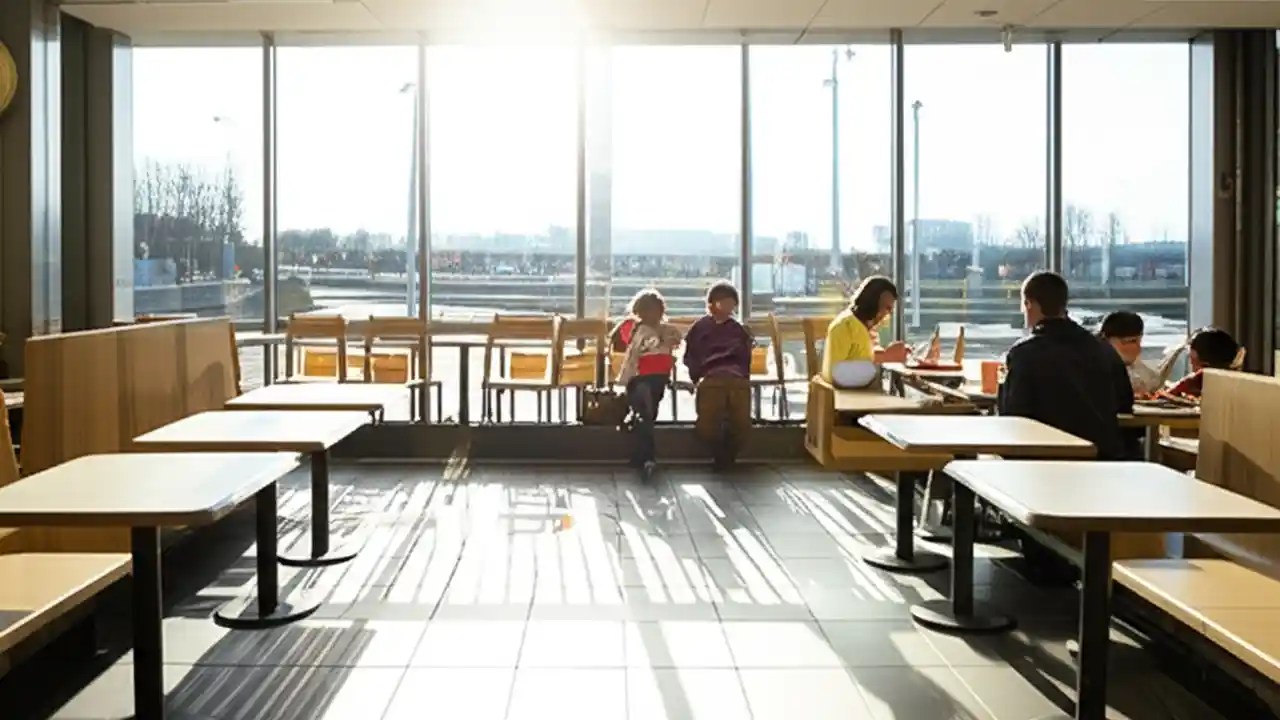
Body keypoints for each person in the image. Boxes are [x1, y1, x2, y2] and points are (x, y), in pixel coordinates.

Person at [998, 271, 1134, 461]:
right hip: (1101, 461)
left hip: (1042, 462)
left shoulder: (1023, 354)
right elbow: (1125, 402)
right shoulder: (1103, 348)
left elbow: (1013, 415)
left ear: (1029, 304)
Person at [611, 289, 682, 480]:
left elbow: (677, 342)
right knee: (646, 413)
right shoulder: (631, 327)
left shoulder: (666, 331)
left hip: (658, 378)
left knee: (647, 415)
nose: (653, 315)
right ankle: (647, 457)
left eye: (656, 311)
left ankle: (640, 452)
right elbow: (621, 347)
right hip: (639, 377)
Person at [683, 282, 753, 469]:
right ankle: (719, 452)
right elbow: (691, 355)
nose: (729, 307)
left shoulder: (738, 330)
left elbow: (745, 358)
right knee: (709, 419)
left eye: (731, 303)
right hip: (711, 377)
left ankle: (728, 454)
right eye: (724, 302)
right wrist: (697, 377)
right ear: (712, 303)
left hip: (735, 378)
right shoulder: (700, 328)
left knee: (741, 421)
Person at [821, 276, 911, 389]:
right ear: (873, 303)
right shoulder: (845, 326)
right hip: (846, 397)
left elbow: (860, 356)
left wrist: (886, 354)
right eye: (887, 308)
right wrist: (885, 356)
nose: (888, 314)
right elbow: (837, 374)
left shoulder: (863, 327)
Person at [1098, 311, 1163, 397]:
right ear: (1107, 340)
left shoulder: (1133, 365)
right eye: (1132, 341)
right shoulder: (1091, 367)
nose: (1138, 349)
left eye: (1139, 341)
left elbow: (1154, 382)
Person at [1165, 327, 1242, 398]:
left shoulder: (1196, 381)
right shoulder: (1236, 383)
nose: (1191, 365)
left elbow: (1166, 396)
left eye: (1192, 360)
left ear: (1205, 365)